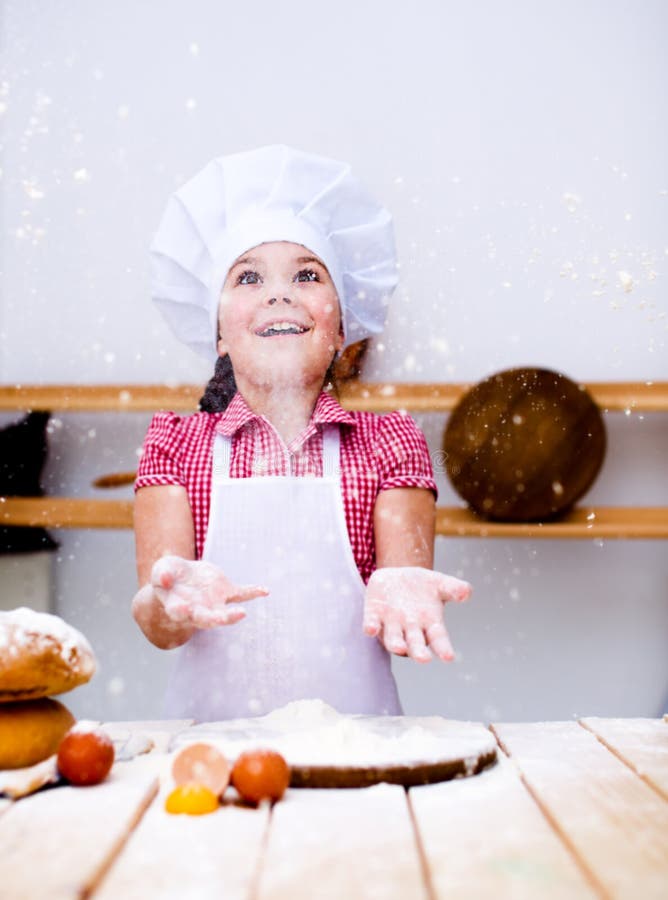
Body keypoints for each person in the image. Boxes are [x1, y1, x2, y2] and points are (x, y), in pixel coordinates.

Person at [132, 144, 471, 721]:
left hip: (361, 761)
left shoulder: (390, 441)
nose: (278, 292)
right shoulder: (173, 443)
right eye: (248, 277)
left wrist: (403, 591)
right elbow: (161, 626)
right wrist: (171, 601)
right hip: (212, 763)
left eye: (307, 275)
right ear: (218, 334)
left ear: (341, 327)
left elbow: (400, 580)